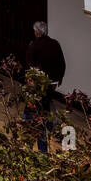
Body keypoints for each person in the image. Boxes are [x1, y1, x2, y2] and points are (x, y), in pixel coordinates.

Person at [23, 21, 66, 153]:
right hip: (51, 83)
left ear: (37, 32)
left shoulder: (34, 46)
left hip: (38, 84)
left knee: (33, 112)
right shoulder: (55, 44)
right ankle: (48, 128)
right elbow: (62, 63)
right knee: (45, 105)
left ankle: (33, 146)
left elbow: (30, 64)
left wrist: (31, 80)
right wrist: (59, 79)